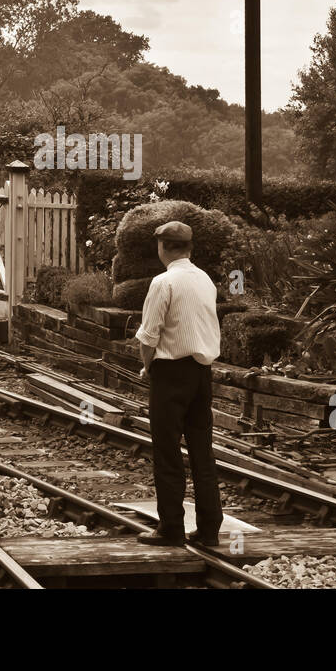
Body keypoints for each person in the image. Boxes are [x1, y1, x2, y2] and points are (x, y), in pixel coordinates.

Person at [134, 220, 224, 548]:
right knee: (202, 452)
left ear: (163, 247)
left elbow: (149, 336)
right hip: (202, 374)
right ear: (189, 247)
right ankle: (210, 529)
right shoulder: (204, 280)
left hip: (170, 373)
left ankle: (171, 527)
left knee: (168, 452)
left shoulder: (163, 282)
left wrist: (148, 368)